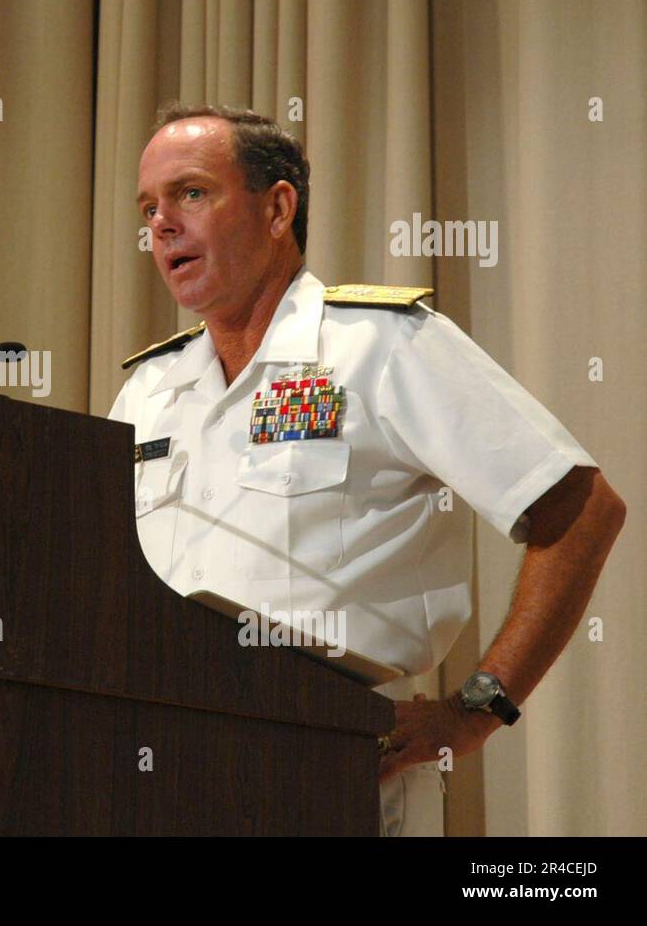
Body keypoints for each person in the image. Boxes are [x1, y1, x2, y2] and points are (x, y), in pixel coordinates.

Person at [109, 105, 627, 837]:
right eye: (149, 207)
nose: (161, 225)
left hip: (336, 773)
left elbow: (579, 510)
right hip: (163, 778)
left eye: (191, 194)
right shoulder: (148, 390)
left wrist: (480, 707)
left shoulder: (377, 344)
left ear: (278, 207)